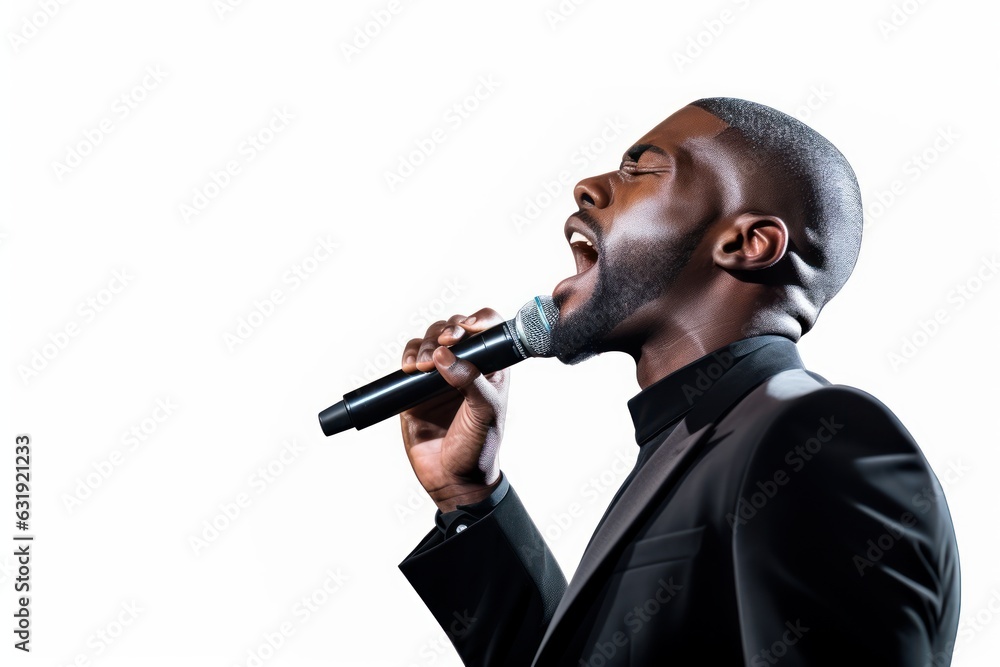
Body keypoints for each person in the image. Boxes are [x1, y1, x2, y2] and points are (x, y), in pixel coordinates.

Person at [394, 98, 960, 666]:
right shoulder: (693, 445)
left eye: (640, 170)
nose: (587, 188)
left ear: (747, 243)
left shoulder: (817, 436)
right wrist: (469, 495)